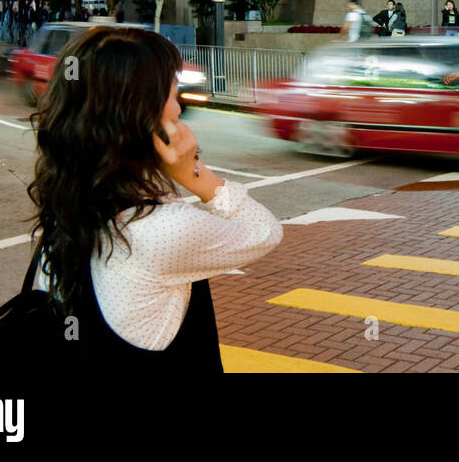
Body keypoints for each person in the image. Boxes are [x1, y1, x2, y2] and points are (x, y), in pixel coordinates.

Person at [28, 26, 283, 371]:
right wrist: (192, 173)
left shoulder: (68, 211)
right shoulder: (161, 230)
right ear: (138, 114)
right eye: (173, 95)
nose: (178, 109)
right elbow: (265, 232)